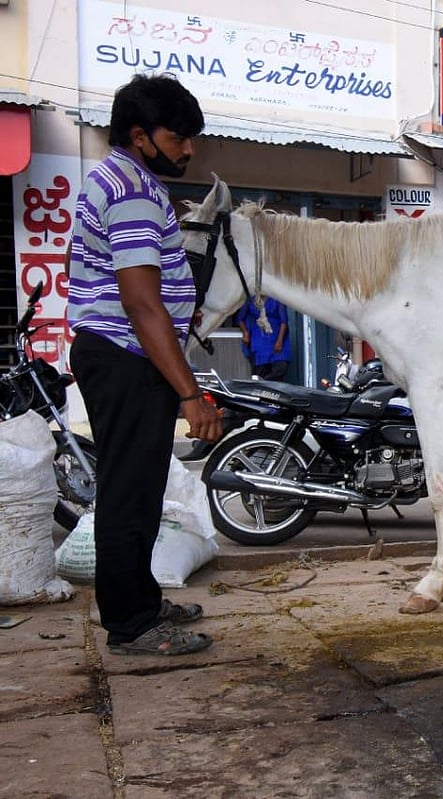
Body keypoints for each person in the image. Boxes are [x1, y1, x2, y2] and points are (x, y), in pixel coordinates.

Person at [66, 74, 222, 656]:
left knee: (139, 487)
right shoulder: (130, 189)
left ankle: (141, 599)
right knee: (129, 492)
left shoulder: (126, 179)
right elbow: (141, 303)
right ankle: (131, 624)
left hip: (125, 356)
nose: (188, 150)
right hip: (127, 357)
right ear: (140, 134)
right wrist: (190, 393)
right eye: (179, 137)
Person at [236, 296, 291, 380]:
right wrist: (245, 333)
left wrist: (280, 341)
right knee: (260, 372)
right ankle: (263, 385)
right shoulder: (251, 299)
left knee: (280, 368)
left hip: (276, 338)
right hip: (259, 340)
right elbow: (240, 319)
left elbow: (284, 321)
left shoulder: (277, 298)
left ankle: (267, 384)